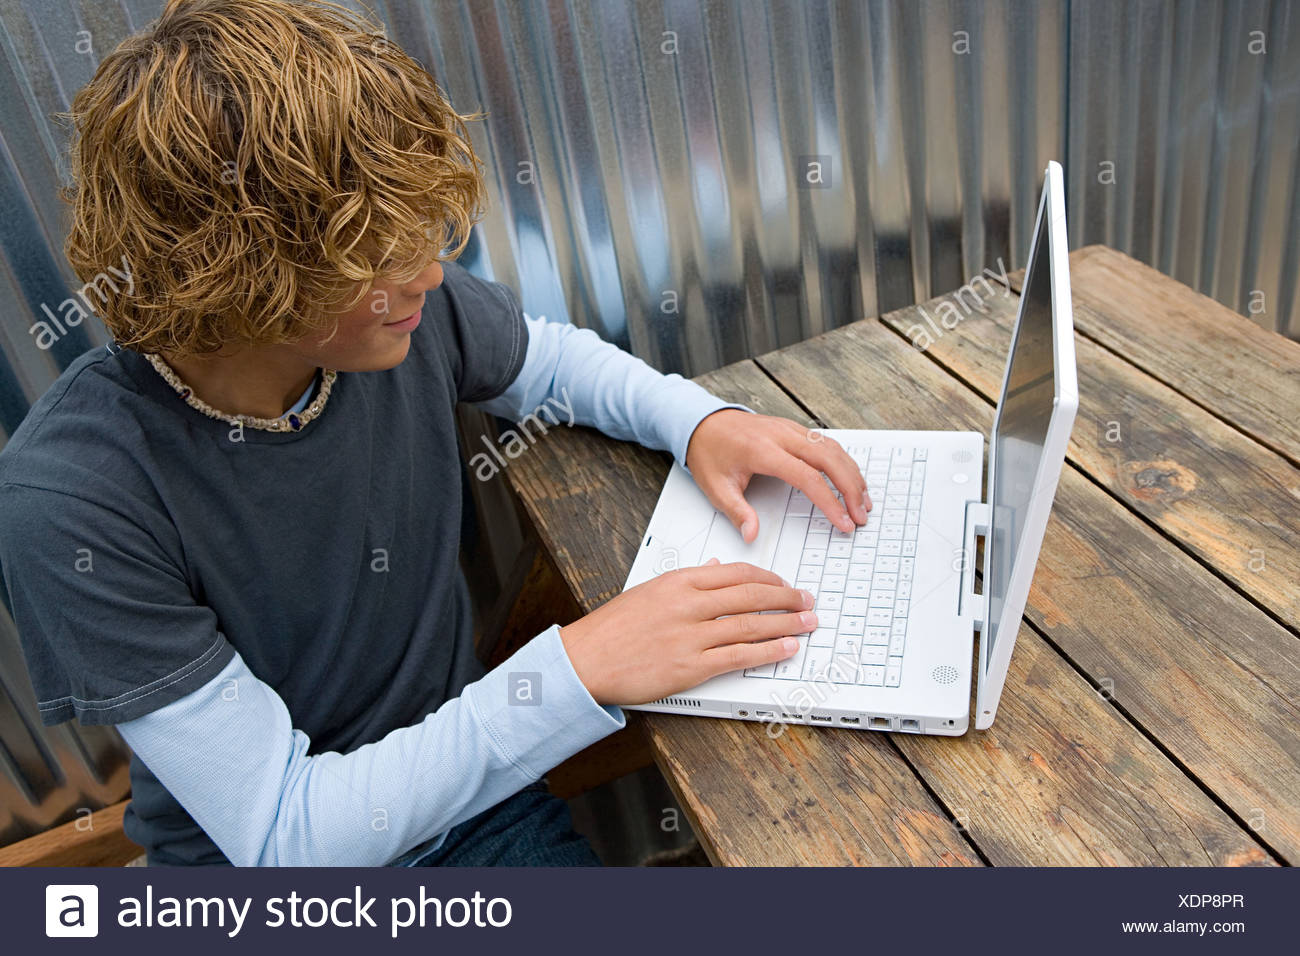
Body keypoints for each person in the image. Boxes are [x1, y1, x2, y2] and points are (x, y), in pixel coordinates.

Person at [0, 0, 870, 866]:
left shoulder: (399, 320)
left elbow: (552, 363)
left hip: (478, 814)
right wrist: (575, 668)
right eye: (374, 254)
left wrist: (701, 421)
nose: (428, 271)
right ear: (243, 277)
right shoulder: (74, 502)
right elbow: (282, 836)